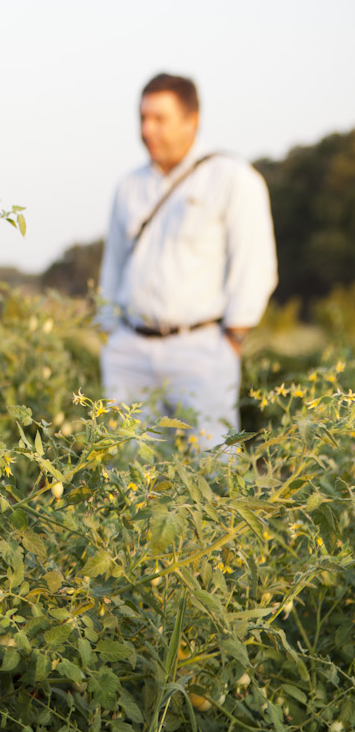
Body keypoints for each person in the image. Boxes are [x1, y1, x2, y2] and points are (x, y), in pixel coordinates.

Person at [95, 73, 277, 450]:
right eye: (143, 118)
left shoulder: (232, 177)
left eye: (159, 119)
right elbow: (112, 266)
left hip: (201, 350)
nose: (146, 130)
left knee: (212, 463)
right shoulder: (129, 186)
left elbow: (256, 265)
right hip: (129, 350)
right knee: (126, 467)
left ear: (192, 120)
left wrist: (232, 339)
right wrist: (111, 334)